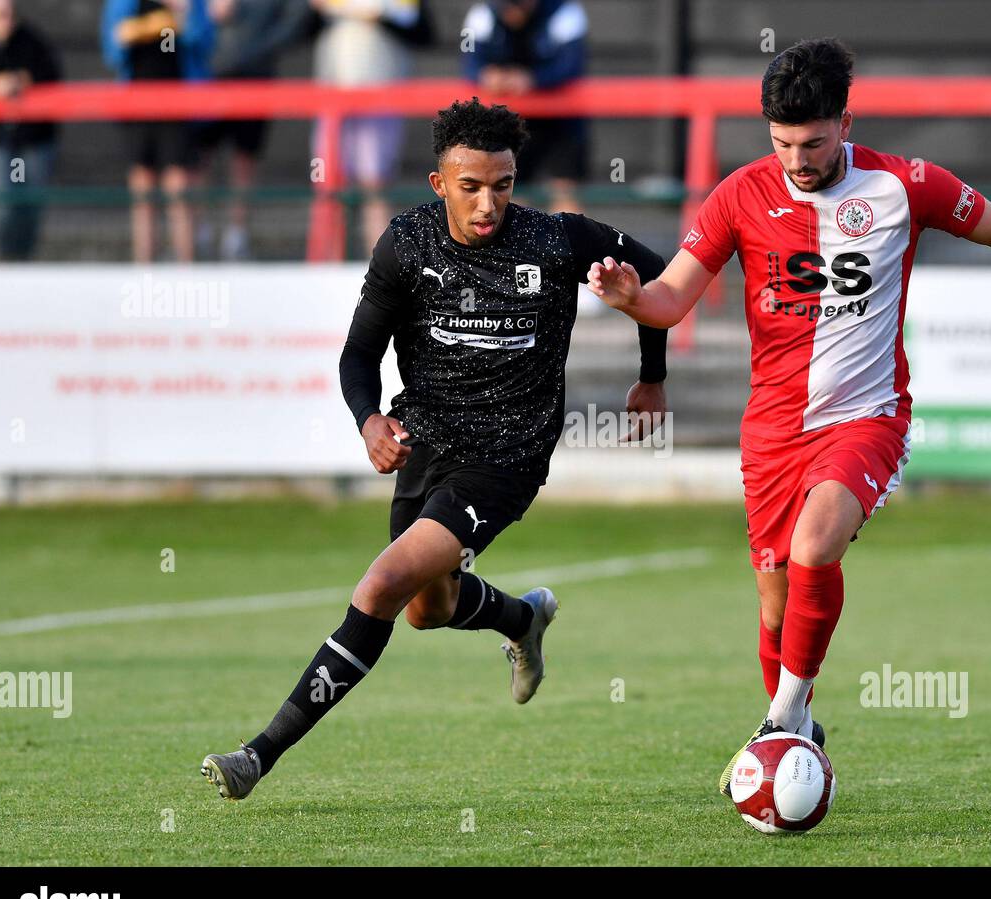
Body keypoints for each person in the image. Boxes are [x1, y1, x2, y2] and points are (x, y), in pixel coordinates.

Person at [586, 38, 991, 796]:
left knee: (818, 545)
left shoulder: (904, 185)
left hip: (866, 416)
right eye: (782, 142)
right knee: (776, 595)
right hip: (772, 433)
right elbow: (672, 297)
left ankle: (783, 721)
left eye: (813, 142)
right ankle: (795, 721)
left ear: (844, 123)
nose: (797, 158)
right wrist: (631, 299)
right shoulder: (738, 195)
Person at [200, 99, 670, 801]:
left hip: (509, 453)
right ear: (438, 182)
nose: (489, 203)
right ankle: (520, 617)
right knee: (427, 609)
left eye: (503, 184)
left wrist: (651, 376)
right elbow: (358, 355)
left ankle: (256, 756)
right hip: (425, 442)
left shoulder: (558, 241)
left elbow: (656, 270)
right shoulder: (406, 246)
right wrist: (368, 422)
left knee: (382, 585)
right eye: (472, 186)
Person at [308, 0, 433, 259]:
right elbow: (303, 25)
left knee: (374, 183)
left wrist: (378, 12)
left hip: (379, 88)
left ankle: (379, 269)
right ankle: (326, 264)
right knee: (327, 181)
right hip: (333, 89)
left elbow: (423, 30)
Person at [195, 0, 313, 260]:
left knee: (244, 158)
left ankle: (236, 235)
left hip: (254, 76)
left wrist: (259, 48)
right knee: (200, 156)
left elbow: (295, 20)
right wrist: (203, 18)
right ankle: (198, 231)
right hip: (208, 75)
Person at [101, 0, 214, 263]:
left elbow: (205, 43)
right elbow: (112, 51)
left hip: (178, 106)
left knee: (179, 189)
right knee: (143, 191)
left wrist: (183, 13)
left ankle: (186, 270)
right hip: (138, 105)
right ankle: (145, 268)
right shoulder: (124, 4)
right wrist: (132, 32)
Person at [462, 0, 588, 214]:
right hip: (507, 120)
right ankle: (517, 248)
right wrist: (488, 76)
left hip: (560, 119)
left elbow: (571, 65)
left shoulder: (565, 11)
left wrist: (532, 79)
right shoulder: (483, 13)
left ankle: (569, 248)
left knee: (564, 192)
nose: (514, 10)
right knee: (511, 192)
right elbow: (471, 63)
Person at [0, 0, 62, 260]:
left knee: (29, 203)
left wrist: (22, 80)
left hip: (30, 140)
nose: (4, 21)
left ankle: (23, 262)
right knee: (1, 206)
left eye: (8, 14)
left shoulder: (31, 41)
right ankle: (4, 261)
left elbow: (51, 74)